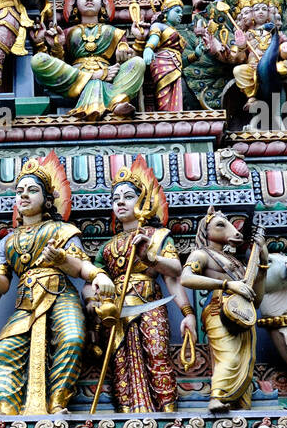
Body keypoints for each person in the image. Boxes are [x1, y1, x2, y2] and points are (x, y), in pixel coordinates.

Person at [0, 153, 113, 415]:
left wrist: (95, 274)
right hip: (26, 302)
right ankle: (7, 410)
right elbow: (2, 284)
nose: (24, 196)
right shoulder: (7, 242)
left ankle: (58, 402)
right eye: (20, 191)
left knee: (73, 338)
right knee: (1, 351)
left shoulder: (62, 230)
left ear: (46, 198)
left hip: (60, 295)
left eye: (32, 190)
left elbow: (81, 266)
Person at [91, 156, 196, 412]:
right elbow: (92, 278)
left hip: (149, 302)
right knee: (120, 361)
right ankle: (127, 413)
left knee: (156, 352)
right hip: (116, 308)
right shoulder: (107, 247)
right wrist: (92, 305)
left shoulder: (157, 236)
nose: (120, 202)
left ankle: (167, 411)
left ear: (143, 200)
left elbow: (174, 273)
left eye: (128, 196)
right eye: (116, 199)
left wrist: (188, 313)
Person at [31, 0, 146, 120]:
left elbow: (128, 58)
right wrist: (56, 46)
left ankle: (116, 100)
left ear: (103, 3)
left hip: (110, 77)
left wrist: (137, 43)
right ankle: (109, 96)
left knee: (138, 63)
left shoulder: (114, 32)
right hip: (75, 77)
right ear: (75, 4)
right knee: (38, 60)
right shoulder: (68, 32)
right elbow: (60, 63)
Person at [180, 210, 267, 412]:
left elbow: (258, 299)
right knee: (230, 357)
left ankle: (242, 403)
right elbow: (186, 278)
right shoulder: (201, 254)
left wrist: (263, 263)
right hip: (218, 310)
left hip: (242, 314)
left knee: (247, 361)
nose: (233, 231)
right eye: (220, 225)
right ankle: (216, 396)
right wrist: (228, 285)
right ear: (206, 231)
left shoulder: (236, 262)